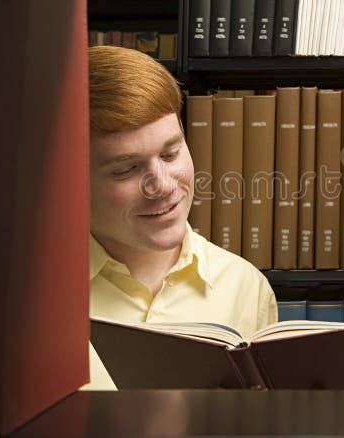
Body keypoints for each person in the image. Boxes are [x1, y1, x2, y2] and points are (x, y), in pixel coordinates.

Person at [85, 46, 277, 389]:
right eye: (126, 169)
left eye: (171, 153)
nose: (161, 185)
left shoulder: (245, 288)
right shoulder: (32, 301)